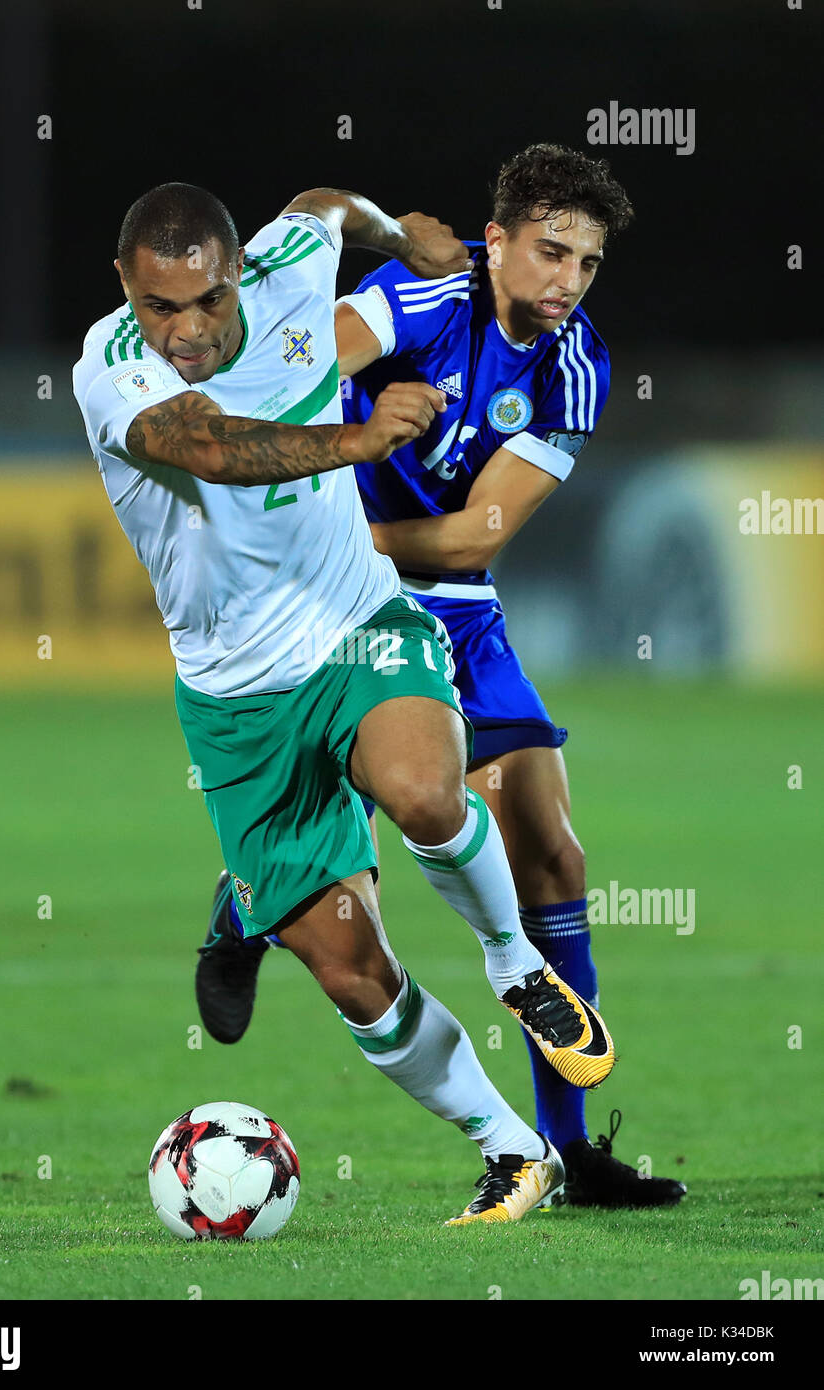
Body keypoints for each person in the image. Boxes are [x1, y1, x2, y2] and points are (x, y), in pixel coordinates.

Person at [73, 180, 615, 1225]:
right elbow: (213, 449)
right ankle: (512, 1148)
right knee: (351, 969)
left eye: (210, 302)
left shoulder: (290, 261)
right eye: (160, 307)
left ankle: (516, 966)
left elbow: (322, 202)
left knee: (421, 788)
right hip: (236, 698)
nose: (186, 331)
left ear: (243, 269)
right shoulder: (110, 368)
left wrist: (396, 231)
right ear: (125, 290)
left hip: (357, 621)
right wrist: (360, 444)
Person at [195, 147, 685, 1210]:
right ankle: (252, 903)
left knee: (551, 846)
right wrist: (324, 477)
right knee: (391, 821)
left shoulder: (575, 367)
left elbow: (473, 539)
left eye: (588, 263)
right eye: (550, 250)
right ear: (495, 240)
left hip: (446, 602)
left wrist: (343, 535)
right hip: (334, 610)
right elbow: (303, 359)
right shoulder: (426, 285)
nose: (566, 280)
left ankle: (569, 1149)